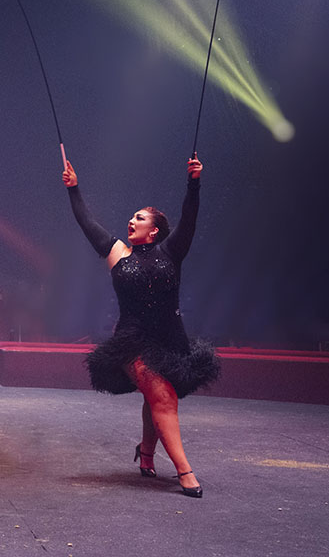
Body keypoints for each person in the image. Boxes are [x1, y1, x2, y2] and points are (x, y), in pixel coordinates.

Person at [62, 154, 220, 498]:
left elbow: (189, 217)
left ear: (155, 230)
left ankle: (146, 452)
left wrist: (194, 182)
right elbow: (87, 222)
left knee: (155, 396)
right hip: (132, 341)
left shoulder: (172, 250)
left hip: (170, 339)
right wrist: (74, 189)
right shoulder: (118, 253)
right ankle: (185, 471)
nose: (130, 221)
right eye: (131, 217)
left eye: (139, 218)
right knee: (162, 395)